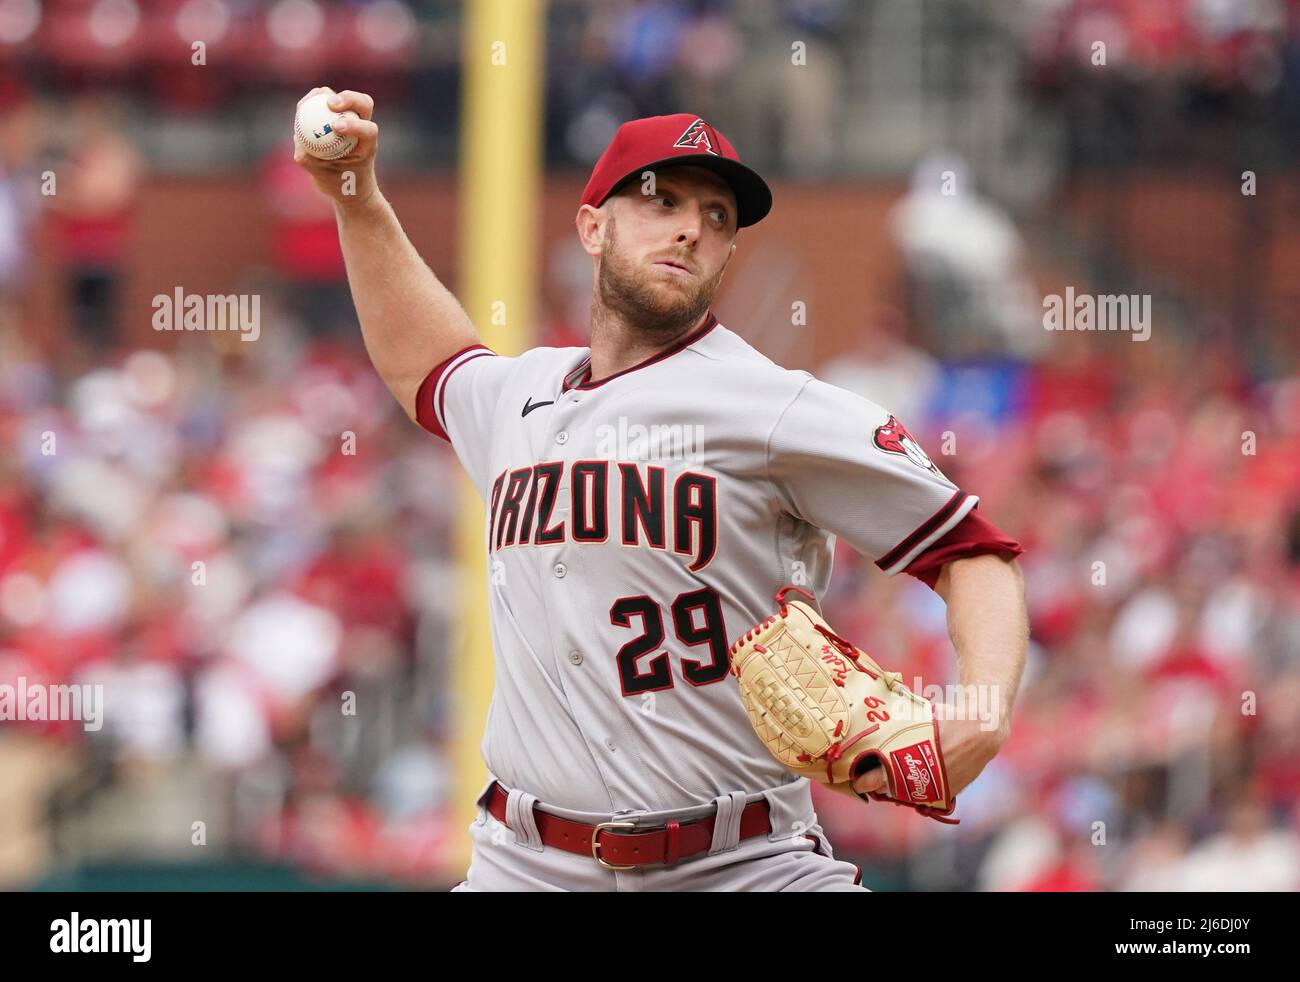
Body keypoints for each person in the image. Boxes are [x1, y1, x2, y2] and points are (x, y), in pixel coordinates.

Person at [294, 90, 1029, 892]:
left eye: (719, 217)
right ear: (593, 227)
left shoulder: (772, 403)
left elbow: (972, 552)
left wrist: (982, 709)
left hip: (744, 863)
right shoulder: (522, 397)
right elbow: (422, 360)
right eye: (662, 200)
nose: (692, 227)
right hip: (527, 864)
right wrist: (354, 194)